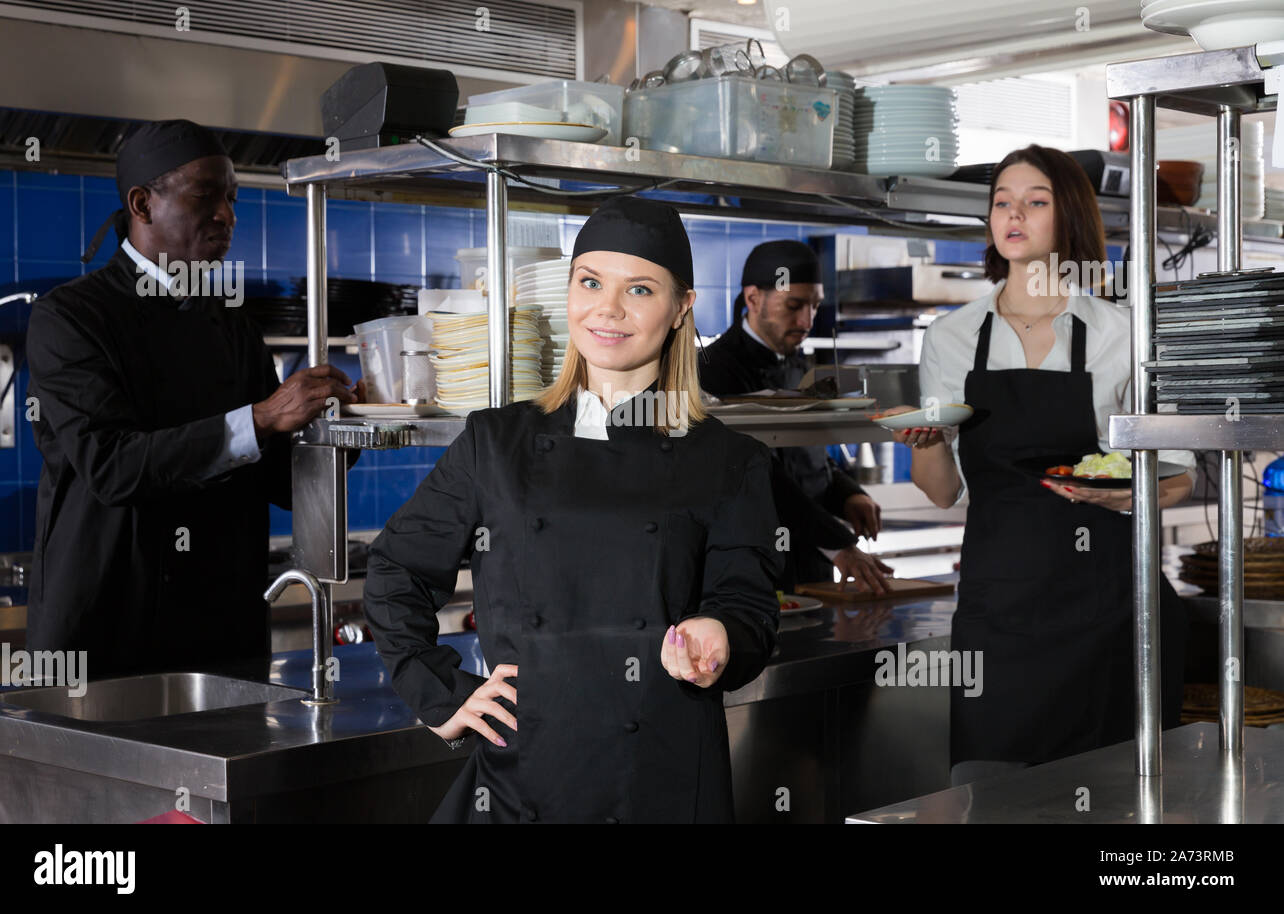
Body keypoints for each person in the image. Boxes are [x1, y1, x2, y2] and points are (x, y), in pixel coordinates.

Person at [364, 195, 783, 823]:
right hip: (524, 776)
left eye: (639, 289)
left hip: (661, 782)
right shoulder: (495, 443)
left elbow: (748, 606)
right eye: (589, 282)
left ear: (680, 309)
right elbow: (396, 568)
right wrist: (440, 693)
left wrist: (717, 635)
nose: (607, 309)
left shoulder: (731, 460)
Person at [881, 145, 1193, 786]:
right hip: (1002, 615)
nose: (1012, 213)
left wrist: (1126, 495)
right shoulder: (952, 337)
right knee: (992, 789)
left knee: (1117, 798)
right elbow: (943, 494)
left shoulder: (1124, 333)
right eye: (1001, 202)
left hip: (1111, 609)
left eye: (1035, 201)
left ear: (1070, 215)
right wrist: (927, 442)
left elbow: (1180, 473)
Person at [26, 119, 363, 677]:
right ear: (142, 203)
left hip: (221, 631)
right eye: (205, 195)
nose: (228, 215)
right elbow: (111, 466)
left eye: (231, 198)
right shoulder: (70, 318)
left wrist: (343, 428)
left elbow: (278, 481)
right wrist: (260, 418)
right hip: (108, 631)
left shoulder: (229, 322)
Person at [698, 239, 892, 594]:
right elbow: (758, 475)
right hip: (750, 572)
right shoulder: (712, 372)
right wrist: (838, 543)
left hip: (813, 568)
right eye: (794, 305)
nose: (807, 321)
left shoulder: (801, 369)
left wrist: (848, 494)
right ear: (754, 298)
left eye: (814, 306)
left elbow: (809, 459)